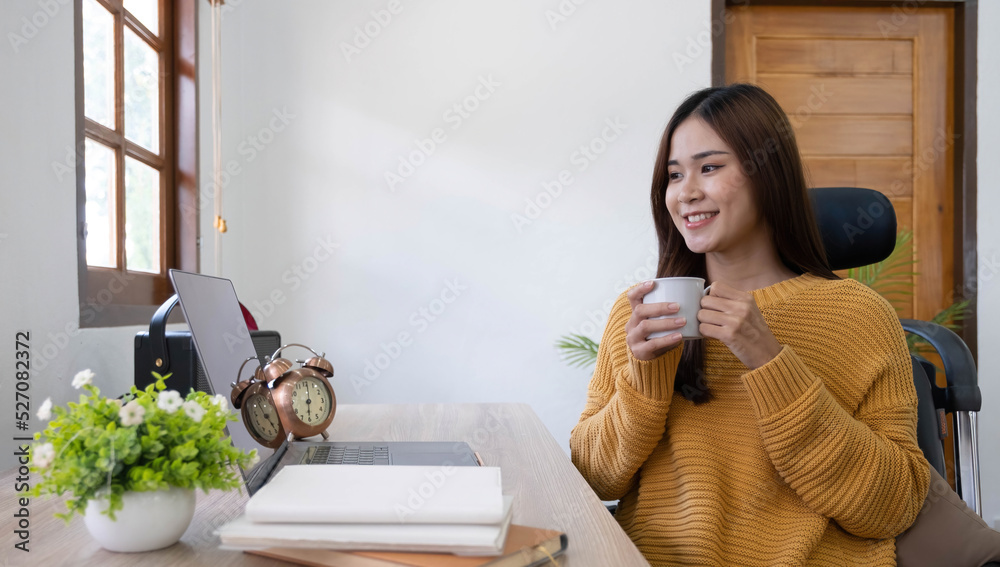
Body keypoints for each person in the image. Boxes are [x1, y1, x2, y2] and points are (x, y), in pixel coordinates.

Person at [569, 84, 930, 566]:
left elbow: (893, 508)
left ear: (768, 176)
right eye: (674, 175)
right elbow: (592, 478)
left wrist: (771, 361)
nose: (687, 192)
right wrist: (643, 381)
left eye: (710, 167)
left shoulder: (858, 316)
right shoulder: (639, 316)